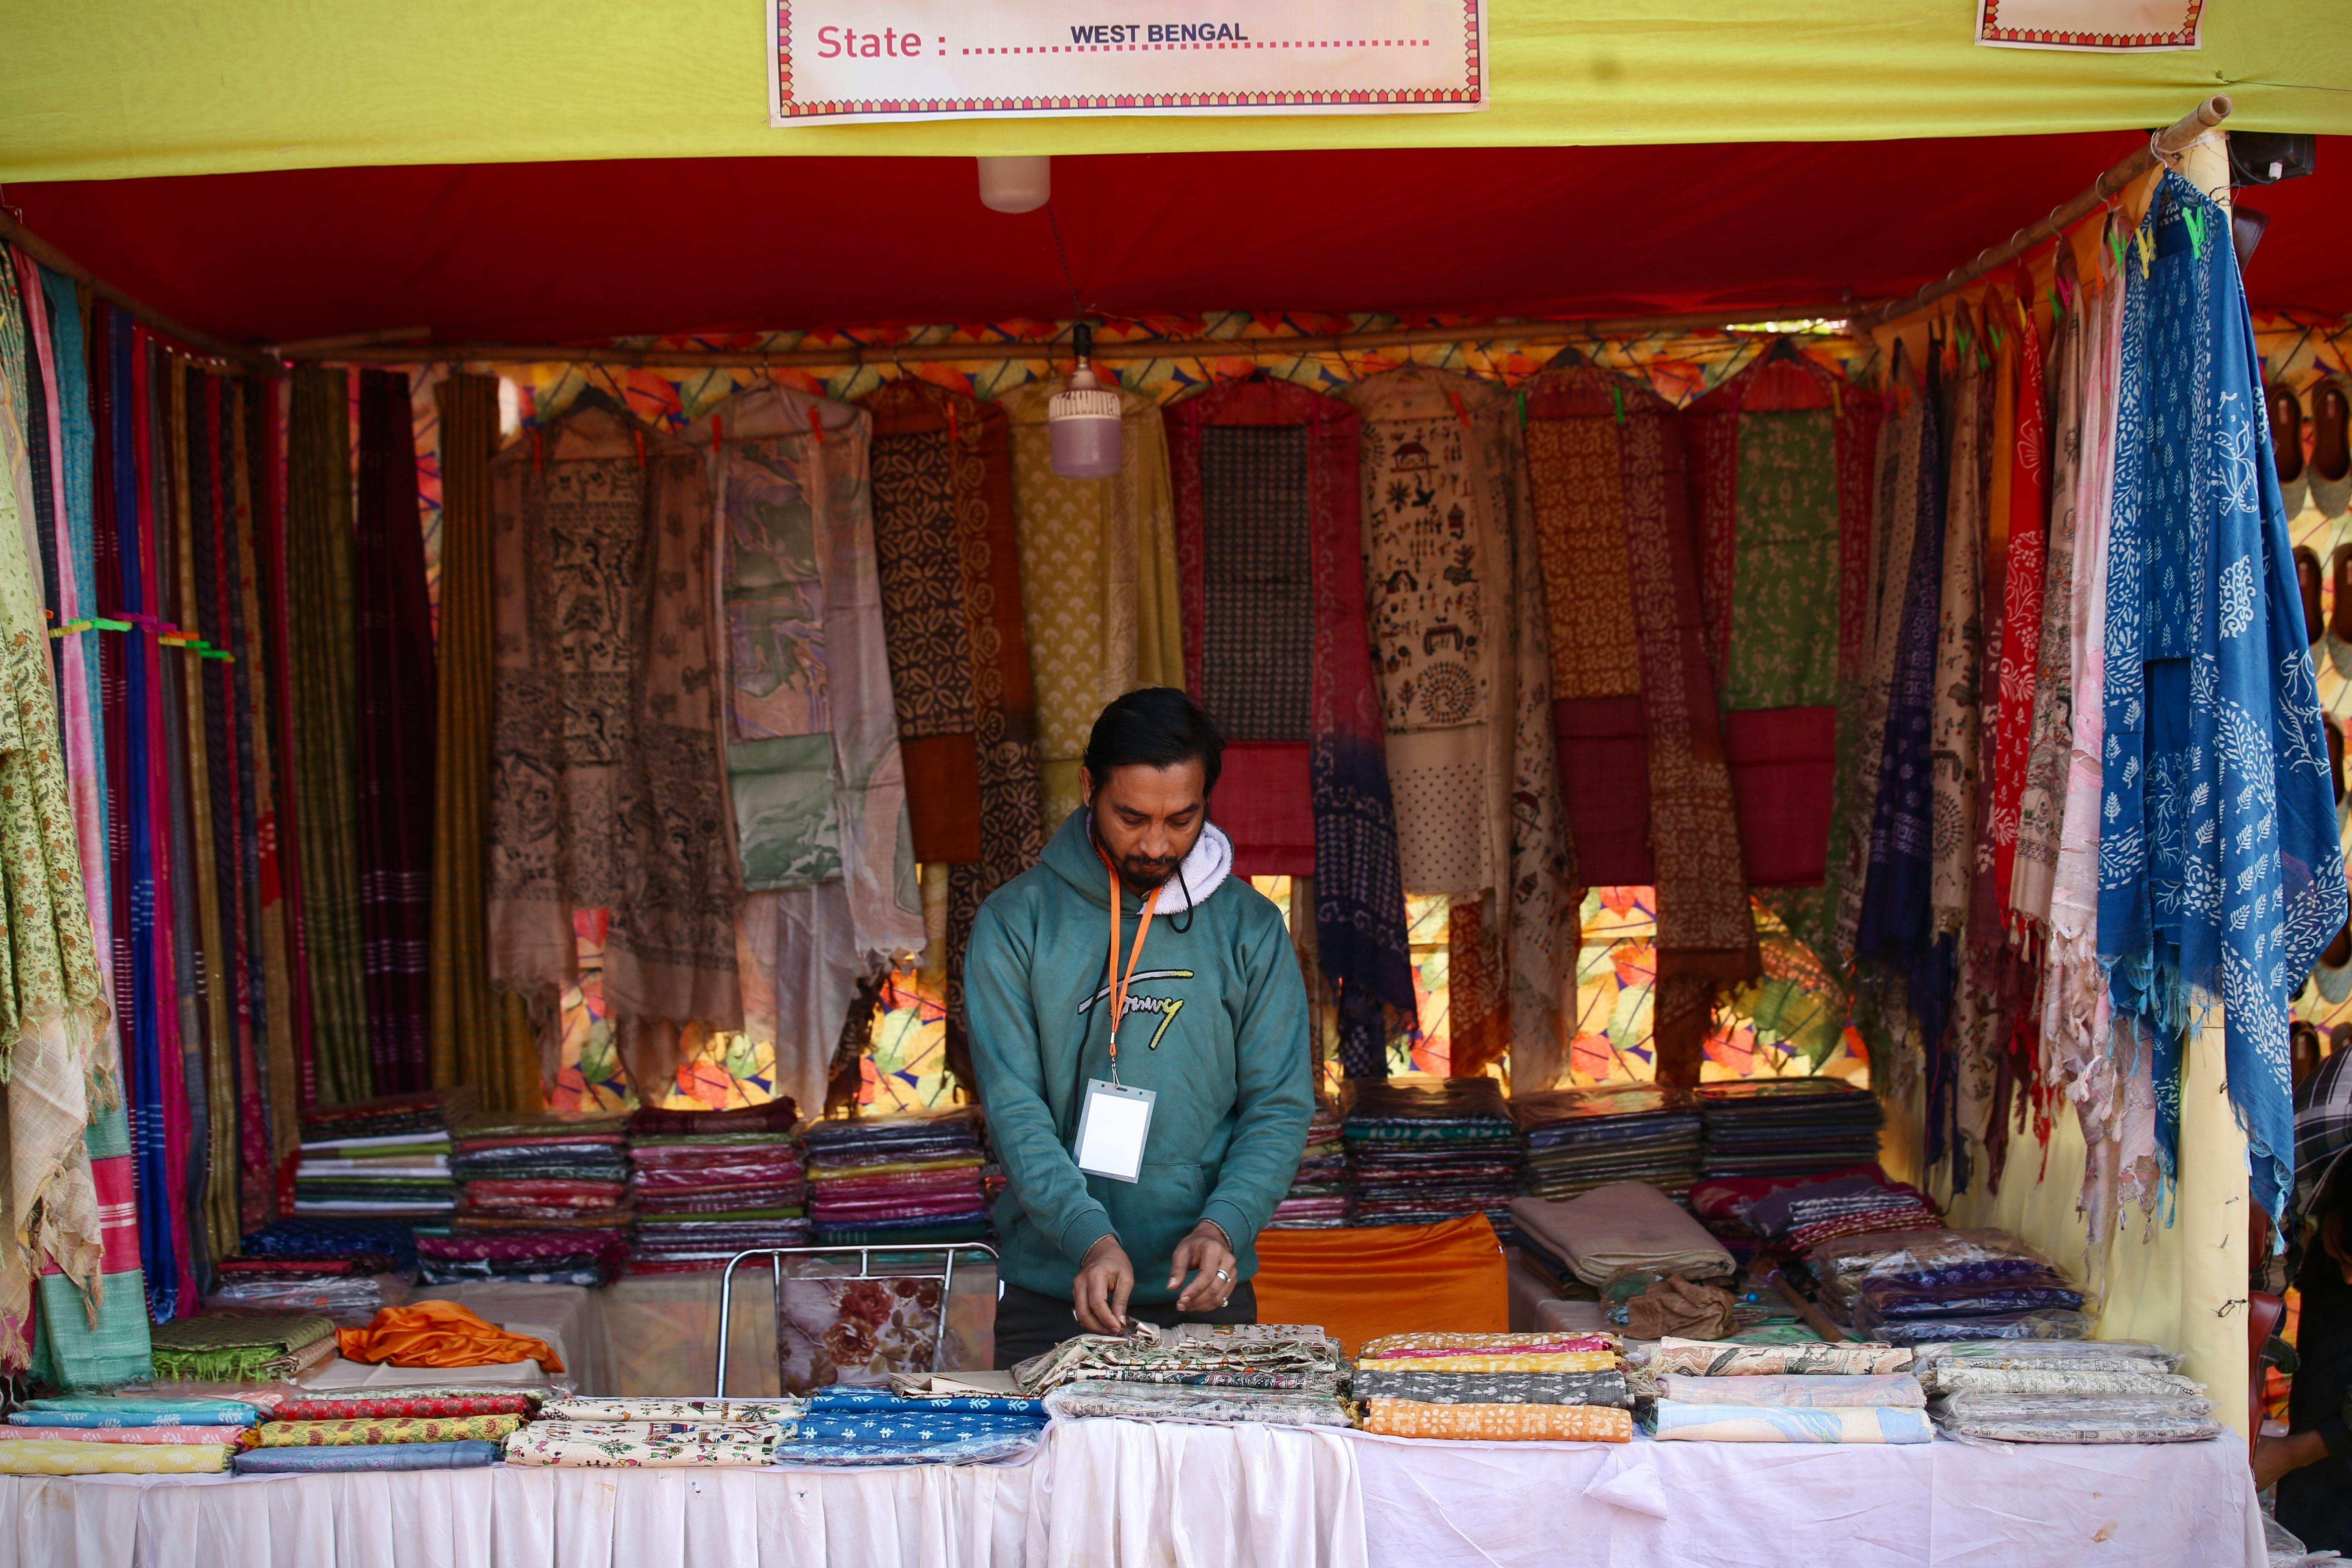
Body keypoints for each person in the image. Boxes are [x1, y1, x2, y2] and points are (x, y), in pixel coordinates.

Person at [964, 687, 1313, 1368]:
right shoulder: (1016, 923)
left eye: (1182, 820)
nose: (1156, 845)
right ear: (1089, 788)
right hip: (1055, 1291)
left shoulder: (1250, 928)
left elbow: (1278, 1105)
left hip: (1206, 1296)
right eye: (1132, 818)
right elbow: (1015, 1111)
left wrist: (1225, 1226)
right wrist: (1088, 1238)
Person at [2259, 1047, 2352, 1550]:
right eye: (2344, 1253)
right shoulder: (2307, 1144)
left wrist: (2293, 1453)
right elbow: (2265, 1267)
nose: (2350, 1277)